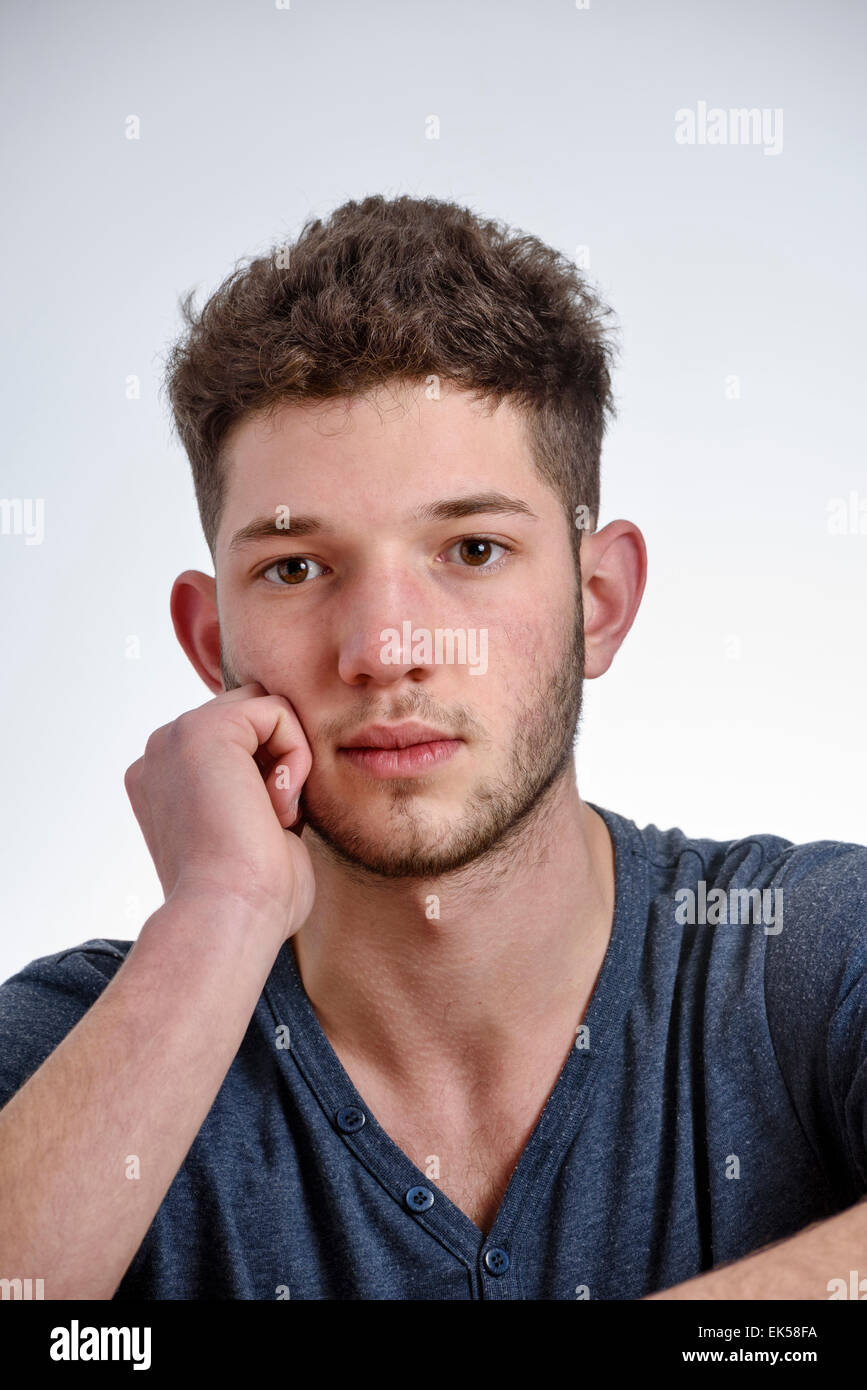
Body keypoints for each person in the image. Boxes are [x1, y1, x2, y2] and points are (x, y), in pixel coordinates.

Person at [1, 194, 865, 1301]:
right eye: (297, 567)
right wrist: (214, 919)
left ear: (598, 602)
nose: (386, 646)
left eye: (471, 547)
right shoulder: (80, 1053)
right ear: (212, 641)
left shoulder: (802, 952)